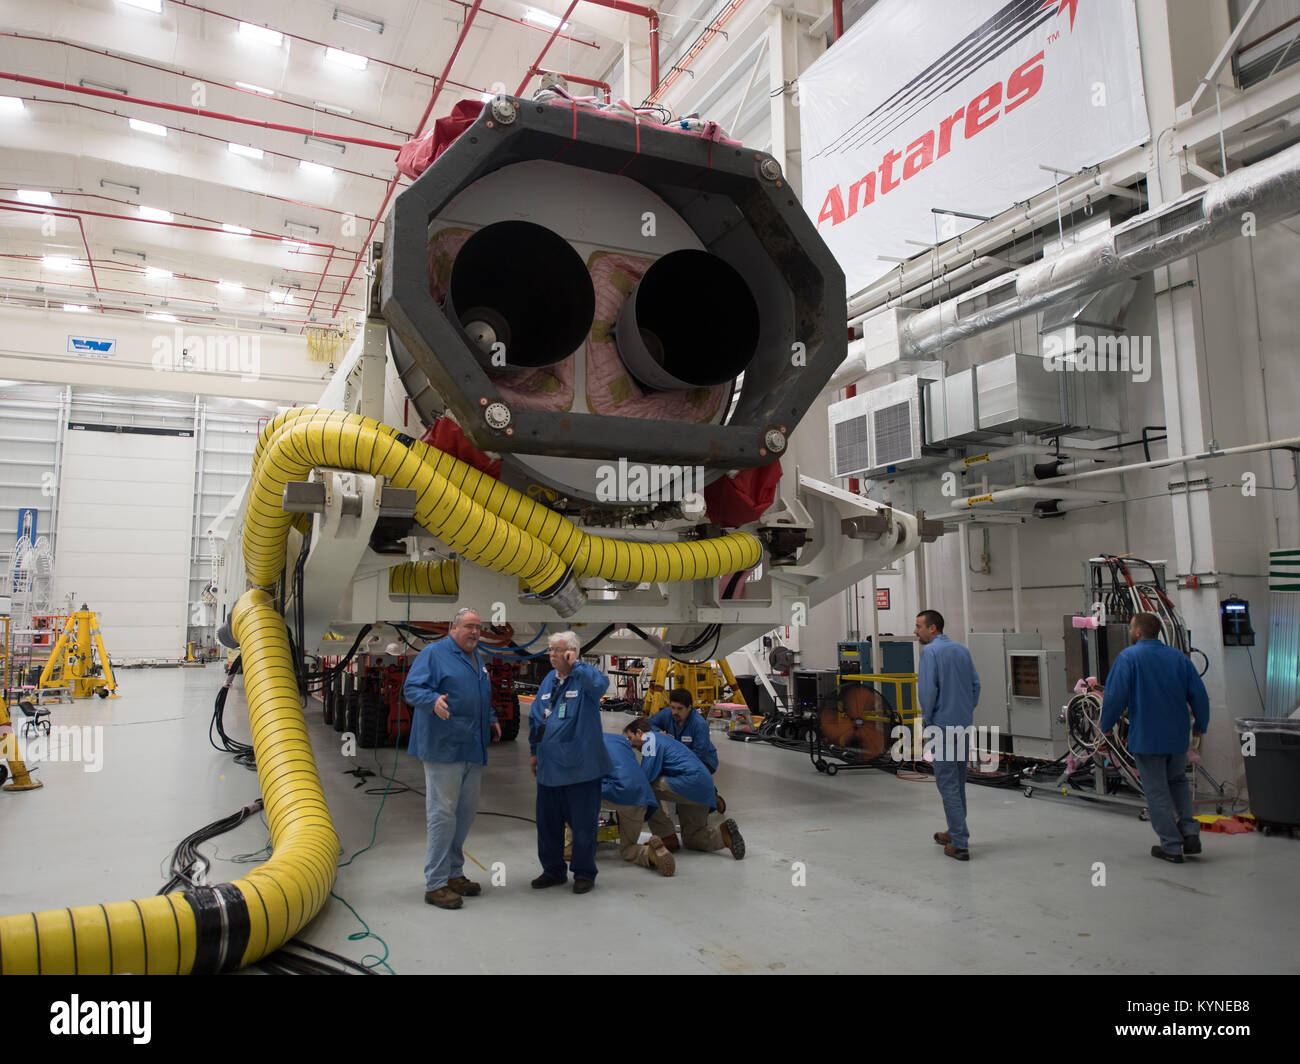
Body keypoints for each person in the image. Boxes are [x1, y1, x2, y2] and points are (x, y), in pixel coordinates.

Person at [403, 607, 500, 910]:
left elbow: (479, 694)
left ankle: (454, 873)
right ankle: (435, 884)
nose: (475, 632)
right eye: (469, 626)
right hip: (443, 747)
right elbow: (412, 688)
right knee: (442, 815)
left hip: (472, 746)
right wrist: (432, 700)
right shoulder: (434, 654)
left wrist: (492, 717)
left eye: (478, 627)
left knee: (465, 813)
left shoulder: (476, 657)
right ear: (453, 628)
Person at [1100, 612, 1211, 863]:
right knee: (1178, 782)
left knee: (1157, 790)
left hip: (1148, 737)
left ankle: (1171, 846)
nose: (1130, 631)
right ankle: (1190, 833)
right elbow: (1199, 695)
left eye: (1131, 627)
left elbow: (1115, 696)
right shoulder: (1179, 658)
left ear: (1138, 632)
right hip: (1177, 737)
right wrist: (1200, 725)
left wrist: (1105, 726)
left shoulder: (1128, 657)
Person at [529, 631, 613, 894]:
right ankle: (553, 870)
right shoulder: (548, 681)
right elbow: (536, 718)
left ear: (571, 652)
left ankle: (584, 873)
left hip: (581, 769)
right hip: (549, 768)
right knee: (548, 824)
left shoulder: (585, 679)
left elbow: (601, 685)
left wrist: (576, 665)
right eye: (550, 650)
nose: (552, 655)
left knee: (583, 825)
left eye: (558, 650)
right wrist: (534, 752)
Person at [623, 717, 744, 859]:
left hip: (689, 784)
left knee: (645, 789)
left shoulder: (649, 739)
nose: (630, 744)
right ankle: (723, 834)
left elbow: (644, 778)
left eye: (630, 738)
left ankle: (666, 836)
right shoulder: (664, 740)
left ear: (639, 733)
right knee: (692, 838)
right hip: (704, 788)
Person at [915, 609, 980, 861]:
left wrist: (929, 719)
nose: (916, 631)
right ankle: (954, 831)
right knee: (958, 780)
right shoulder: (962, 650)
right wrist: (964, 710)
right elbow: (976, 685)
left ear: (933, 628)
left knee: (947, 783)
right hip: (962, 723)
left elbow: (928, 692)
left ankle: (960, 843)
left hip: (941, 725)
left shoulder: (930, 652)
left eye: (919, 626)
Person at [600, 732, 676, 876]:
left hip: (617, 791)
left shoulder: (584, 742)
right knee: (628, 847)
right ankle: (651, 853)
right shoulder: (621, 740)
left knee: (576, 793)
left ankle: (573, 844)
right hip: (641, 796)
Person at [647, 688, 727, 811]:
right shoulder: (668, 714)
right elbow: (648, 724)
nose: (675, 712)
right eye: (673, 707)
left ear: (689, 708)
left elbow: (698, 756)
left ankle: (711, 796)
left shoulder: (699, 724)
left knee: (684, 778)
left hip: (703, 761)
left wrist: (673, 766)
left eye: (680, 709)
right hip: (678, 759)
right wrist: (657, 732)